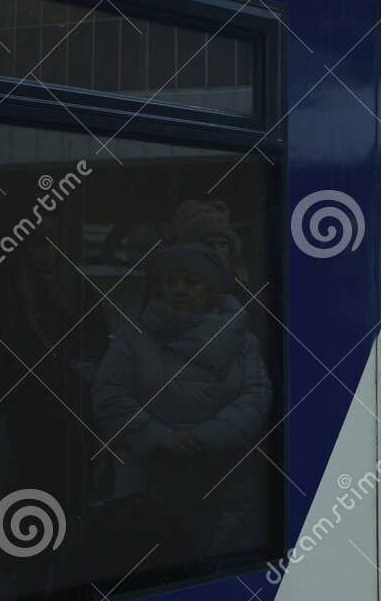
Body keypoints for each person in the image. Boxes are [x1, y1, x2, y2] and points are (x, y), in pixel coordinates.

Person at [93, 243, 273, 567]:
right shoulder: (133, 337)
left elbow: (255, 398)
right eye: (171, 281)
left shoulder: (243, 341)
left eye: (191, 282)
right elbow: (110, 394)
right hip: (149, 488)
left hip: (221, 487)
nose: (179, 290)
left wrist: (204, 438)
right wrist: (158, 437)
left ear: (211, 289)